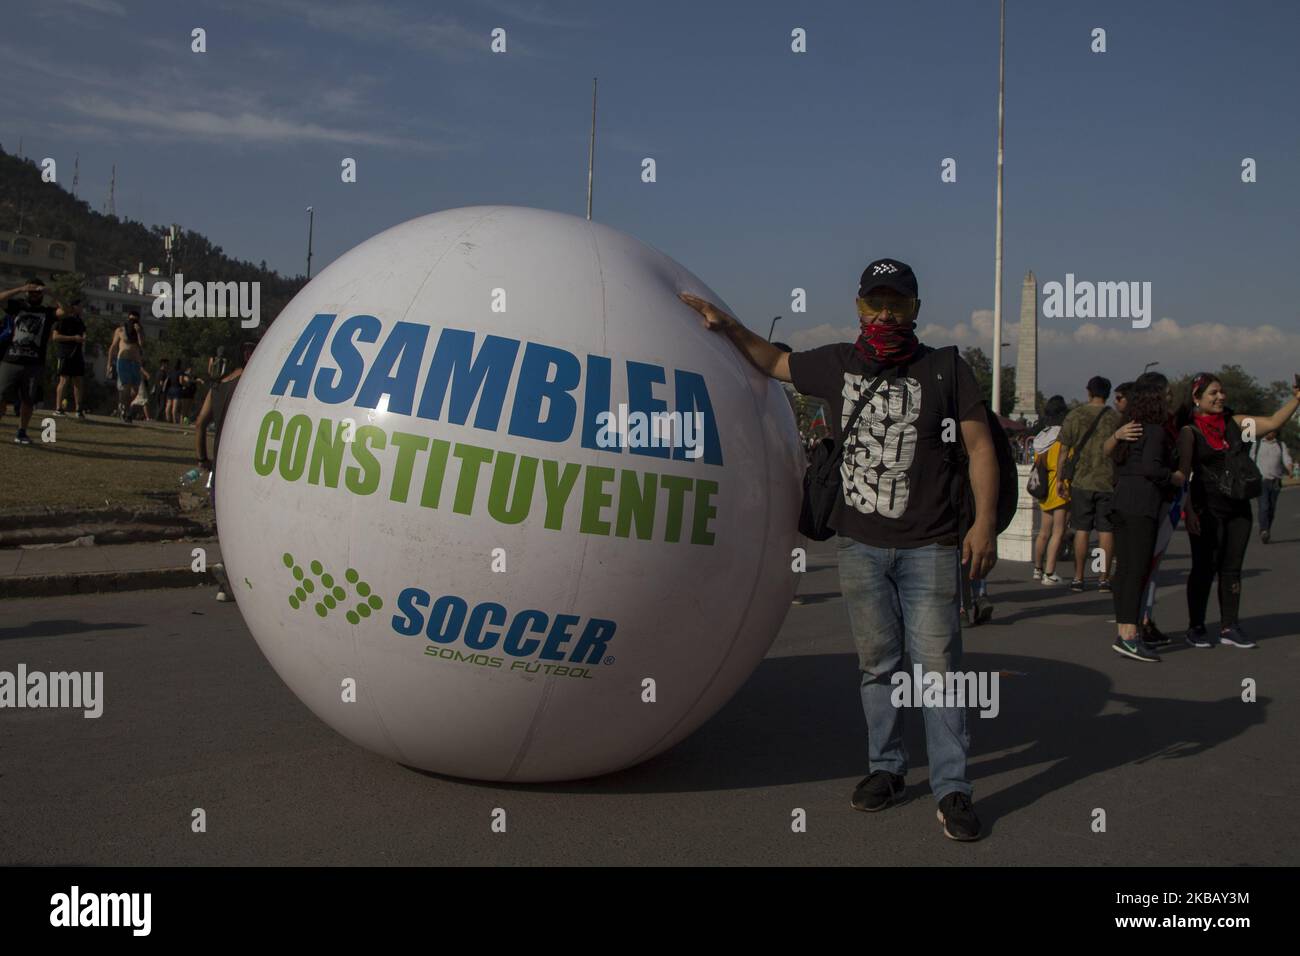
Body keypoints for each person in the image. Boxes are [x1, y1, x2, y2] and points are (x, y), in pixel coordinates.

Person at [680, 257, 999, 842]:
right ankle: (887, 770)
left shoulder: (946, 369)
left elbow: (980, 448)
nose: (884, 314)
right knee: (877, 667)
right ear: (858, 307)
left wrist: (982, 527)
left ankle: (953, 788)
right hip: (859, 547)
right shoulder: (835, 364)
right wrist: (727, 325)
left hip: (931, 547)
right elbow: (774, 361)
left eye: (897, 304)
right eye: (874, 303)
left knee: (938, 672)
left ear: (915, 310)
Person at [1177, 373, 1300, 648]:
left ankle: (1229, 626)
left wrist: (1296, 399)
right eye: (1213, 393)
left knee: (1232, 569)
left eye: (1222, 392)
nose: (1220, 397)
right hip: (1205, 509)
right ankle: (1195, 627)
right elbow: (1184, 475)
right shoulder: (1189, 431)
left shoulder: (1236, 424)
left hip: (1238, 508)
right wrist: (1189, 512)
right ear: (1197, 398)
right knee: (1203, 569)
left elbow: (1273, 422)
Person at [1108, 383, 1184, 662]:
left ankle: (1124, 631)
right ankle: (1129, 635)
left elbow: (1114, 459)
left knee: (1125, 570)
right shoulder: (1155, 431)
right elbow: (1152, 468)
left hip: (1121, 501)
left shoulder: (1129, 429)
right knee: (1136, 571)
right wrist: (1174, 477)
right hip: (1143, 505)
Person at [196, 340, 257, 603]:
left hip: (219, 468)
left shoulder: (217, 387)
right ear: (247, 354)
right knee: (247, 524)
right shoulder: (250, 383)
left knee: (226, 523)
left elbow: (199, 424)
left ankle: (227, 579)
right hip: (242, 466)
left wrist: (203, 459)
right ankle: (233, 571)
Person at [1058, 376, 1121, 593]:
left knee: (1082, 530)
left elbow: (1064, 450)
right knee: (1105, 530)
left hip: (1081, 480)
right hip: (1108, 481)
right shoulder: (1115, 418)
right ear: (1109, 393)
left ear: (1088, 392)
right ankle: (1103, 576)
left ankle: (1079, 577)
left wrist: (1060, 479)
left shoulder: (1075, 415)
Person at [0, 279, 62, 445]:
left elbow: (66, 311)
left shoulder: (47, 312)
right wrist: (20, 288)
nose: (34, 295)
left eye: (37, 292)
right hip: (11, 359)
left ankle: (22, 431)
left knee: (28, 400)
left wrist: (51, 293)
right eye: (31, 292)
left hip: (34, 362)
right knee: (1, 396)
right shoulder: (17, 306)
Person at [1031, 395, 1070, 585]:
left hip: (1044, 487)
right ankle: (1050, 573)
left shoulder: (1041, 436)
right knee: (1058, 531)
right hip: (1060, 486)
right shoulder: (1062, 435)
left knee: (1043, 532)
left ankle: (1037, 569)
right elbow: (1067, 459)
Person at [1252, 431, 1293, 544]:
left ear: (1275, 432)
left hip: (1275, 482)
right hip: (1261, 481)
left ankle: (1267, 529)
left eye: (1272, 430)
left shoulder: (1280, 445)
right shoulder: (1258, 444)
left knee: (1271, 509)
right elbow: (1251, 459)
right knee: (1264, 506)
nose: (1270, 432)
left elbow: (1286, 458)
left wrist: (1289, 468)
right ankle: (1263, 530)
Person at [52, 296, 88, 420]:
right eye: (80, 306)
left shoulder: (80, 321)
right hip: (65, 353)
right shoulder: (63, 320)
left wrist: (83, 337)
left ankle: (79, 409)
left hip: (77, 354)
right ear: (74, 307)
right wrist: (73, 338)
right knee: (64, 380)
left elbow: (83, 332)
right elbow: (55, 337)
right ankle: (58, 408)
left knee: (78, 381)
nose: (82, 308)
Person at [106, 310, 146, 423]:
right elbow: (113, 347)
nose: (132, 322)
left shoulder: (140, 331)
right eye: (131, 319)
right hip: (123, 361)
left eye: (135, 320)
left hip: (136, 362)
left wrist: (138, 332)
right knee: (126, 386)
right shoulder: (120, 330)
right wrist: (109, 363)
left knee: (135, 390)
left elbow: (142, 345)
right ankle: (125, 411)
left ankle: (123, 405)